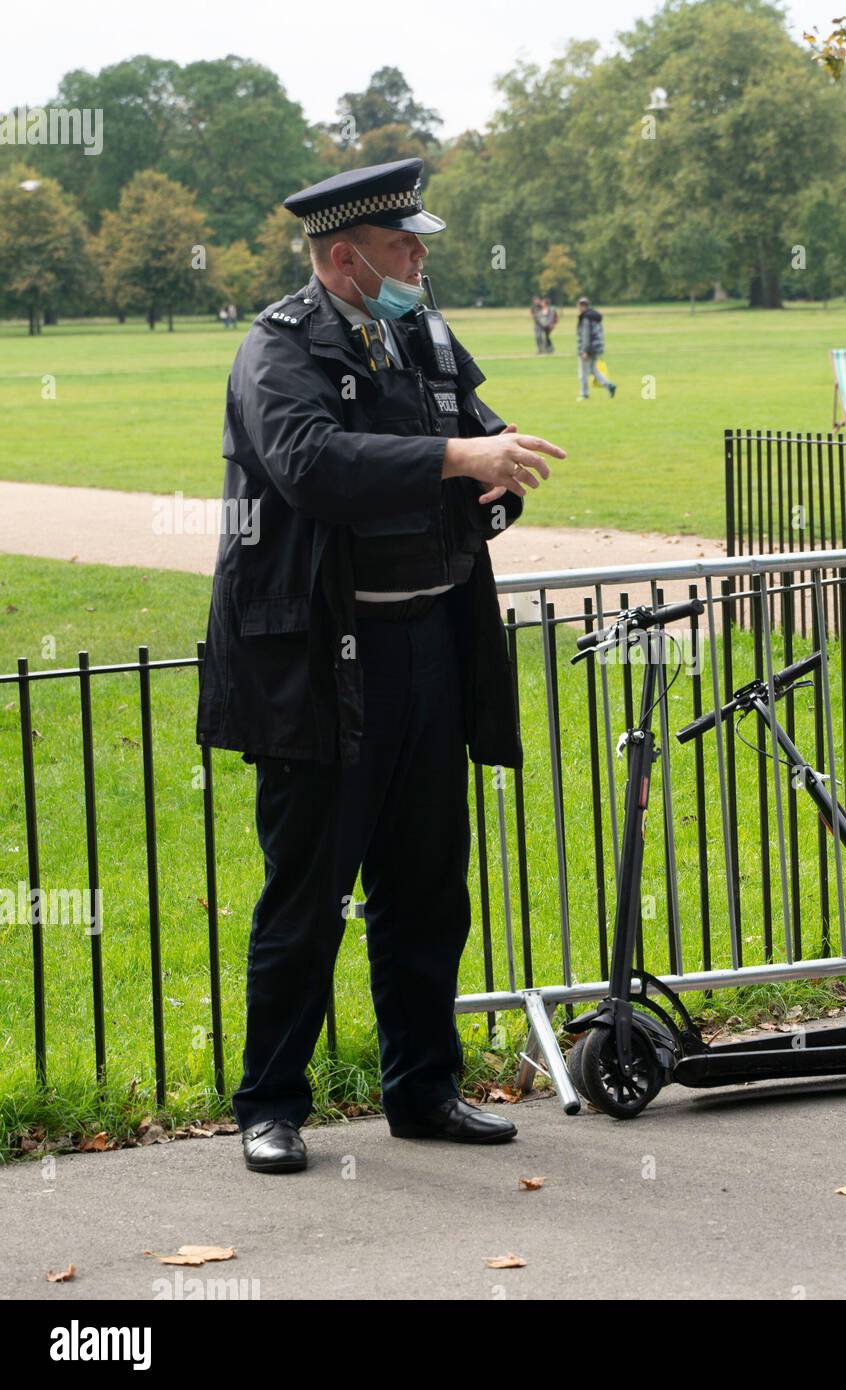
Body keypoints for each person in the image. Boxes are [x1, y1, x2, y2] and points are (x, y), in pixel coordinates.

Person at [195, 157, 566, 1175]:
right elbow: (309, 462)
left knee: (426, 888)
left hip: (427, 646)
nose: (422, 258)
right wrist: (457, 462)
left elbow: (484, 443)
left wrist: (500, 477)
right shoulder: (279, 349)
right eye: (406, 245)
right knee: (305, 896)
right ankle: (270, 1104)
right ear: (345, 257)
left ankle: (423, 1089)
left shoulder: (424, 335)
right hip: (321, 660)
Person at [575, 294, 616, 400]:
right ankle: (609, 385)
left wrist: (584, 350)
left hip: (588, 349)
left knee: (582, 372)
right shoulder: (595, 316)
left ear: (581, 306)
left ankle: (584, 394)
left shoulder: (585, 318)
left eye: (580, 305)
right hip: (597, 348)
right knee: (594, 370)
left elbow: (586, 335)